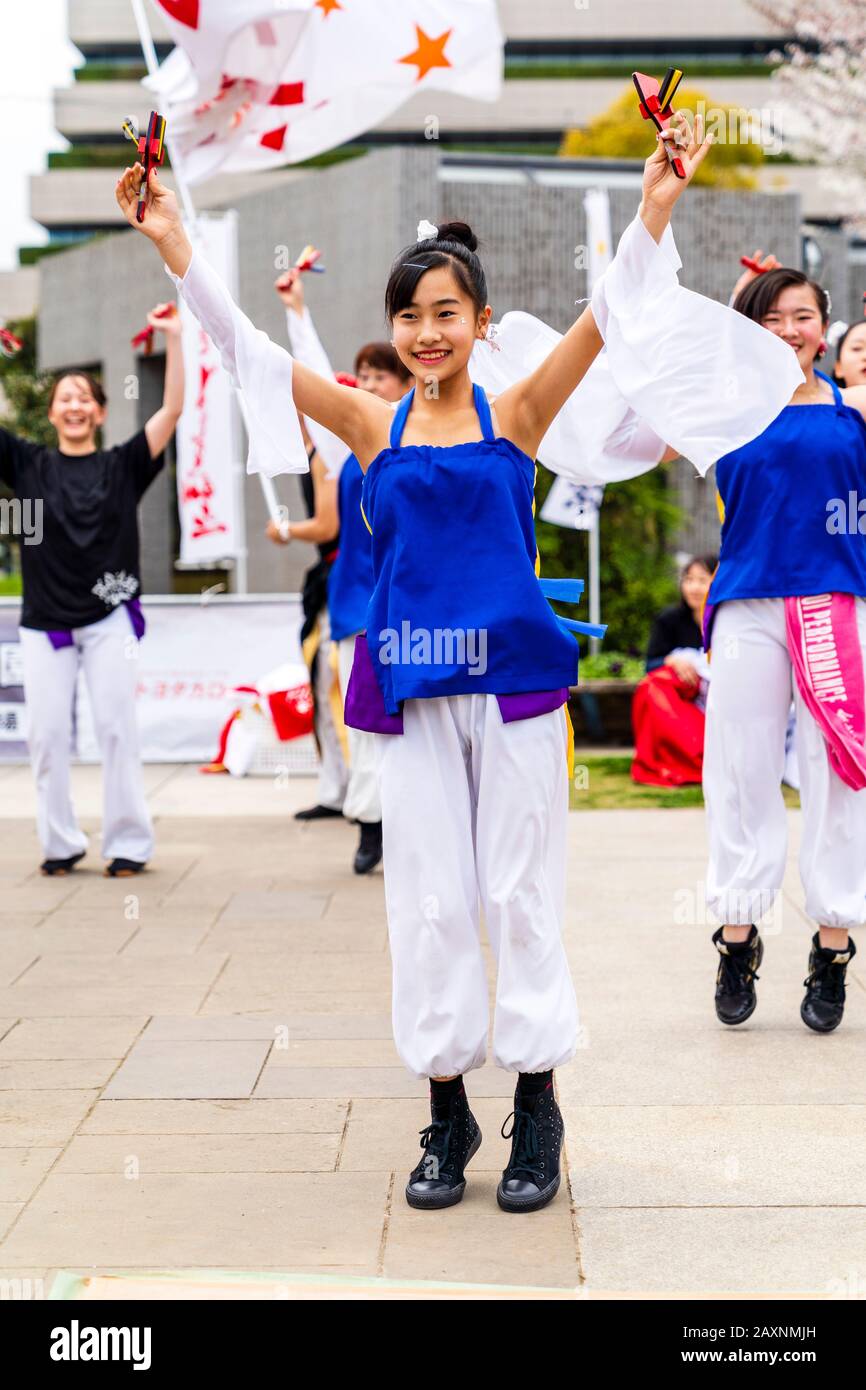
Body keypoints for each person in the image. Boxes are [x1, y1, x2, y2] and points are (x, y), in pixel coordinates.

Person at [117, 107, 803, 1213]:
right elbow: (242, 346)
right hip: (413, 692)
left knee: (521, 894)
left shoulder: (519, 410)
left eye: (446, 312)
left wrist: (652, 209)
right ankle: (445, 1110)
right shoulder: (368, 423)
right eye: (410, 315)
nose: (426, 331)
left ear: (480, 321)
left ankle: (536, 1100)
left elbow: (609, 313)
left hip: (516, 691)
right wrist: (172, 242)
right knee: (430, 902)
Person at [702, 262, 866, 1034]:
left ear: (823, 328)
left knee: (840, 770)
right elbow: (623, 429)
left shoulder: (854, 408)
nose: (790, 331)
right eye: (771, 320)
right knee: (740, 766)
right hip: (748, 605)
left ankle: (832, 942)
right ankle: (738, 933)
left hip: (833, 603)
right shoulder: (719, 411)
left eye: (802, 317)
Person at [0, 307, 184, 875]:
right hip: (45, 624)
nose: (75, 405)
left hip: (110, 620)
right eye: (65, 397)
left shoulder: (123, 465)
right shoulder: (29, 465)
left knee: (116, 730)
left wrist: (175, 339)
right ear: (52, 412)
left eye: (85, 398)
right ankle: (59, 843)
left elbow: (173, 408)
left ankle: (128, 844)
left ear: (100, 412)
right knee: (47, 738)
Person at [275, 265, 411, 872]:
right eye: (365, 377)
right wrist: (296, 311)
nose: (371, 385)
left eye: (383, 375)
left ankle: (414, 827)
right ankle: (371, 823)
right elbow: (309, 367)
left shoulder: (427, 438)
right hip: (361, 605)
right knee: (367, 720)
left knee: (419, 723)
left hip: (422, 610)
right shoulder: (349, 449)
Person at [265, 414, 346, 824]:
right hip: (336, 583)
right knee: (326, 683)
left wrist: (287, 530)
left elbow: (328, 525)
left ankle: (349, 792)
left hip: (349, 585)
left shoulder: (328, 451)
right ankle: (338, 789)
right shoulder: (320, 450)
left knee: (334, 684)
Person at [631, 555, 715, 787]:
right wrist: (673, 660)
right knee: (651, 687)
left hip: (715, 695)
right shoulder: (669, 619)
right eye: (689, 580)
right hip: (679, 697)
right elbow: (651, 665)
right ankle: (677, 757)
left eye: (702, 580)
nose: (694, 587)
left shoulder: (725, 618)